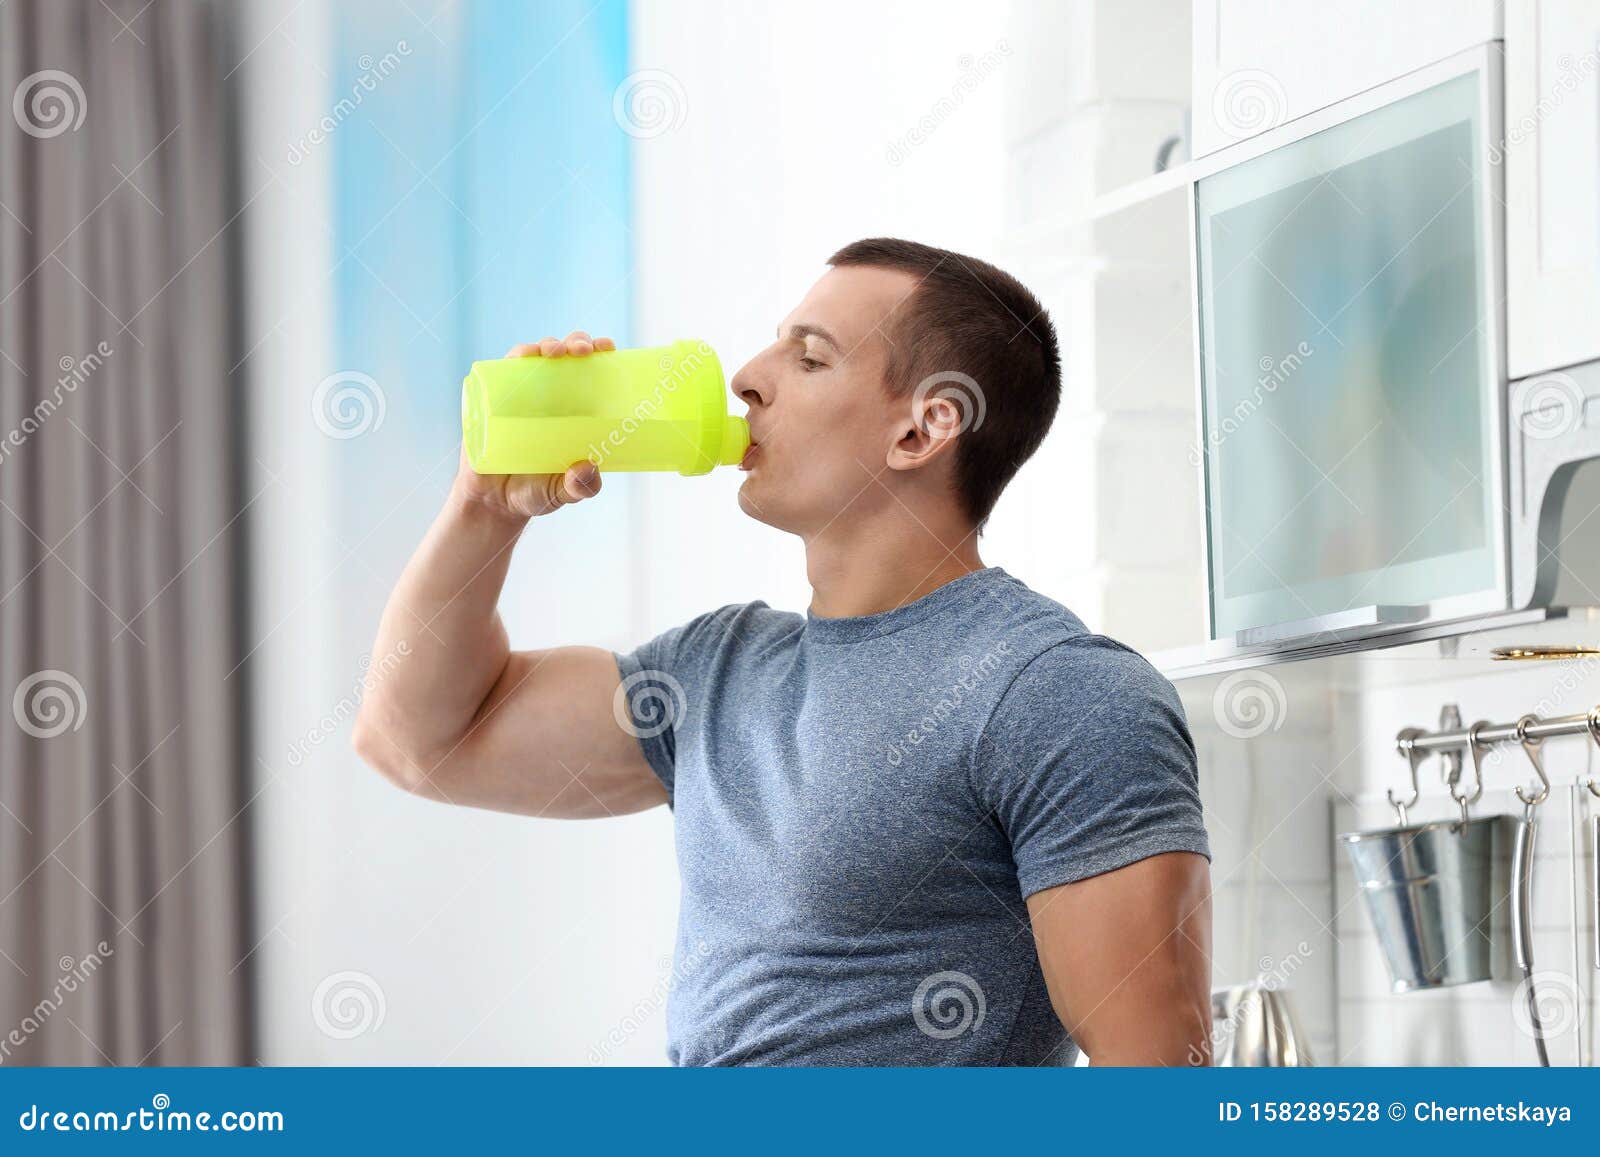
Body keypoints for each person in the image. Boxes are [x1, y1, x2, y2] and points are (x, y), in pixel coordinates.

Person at [352, 237, 1213, 1066]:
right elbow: (421, 741)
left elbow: (1155, 1077)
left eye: (807, 356)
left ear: (922, 429)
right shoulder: (717, 670)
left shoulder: (1059, 694)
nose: (746, 378)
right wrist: (484, 507)